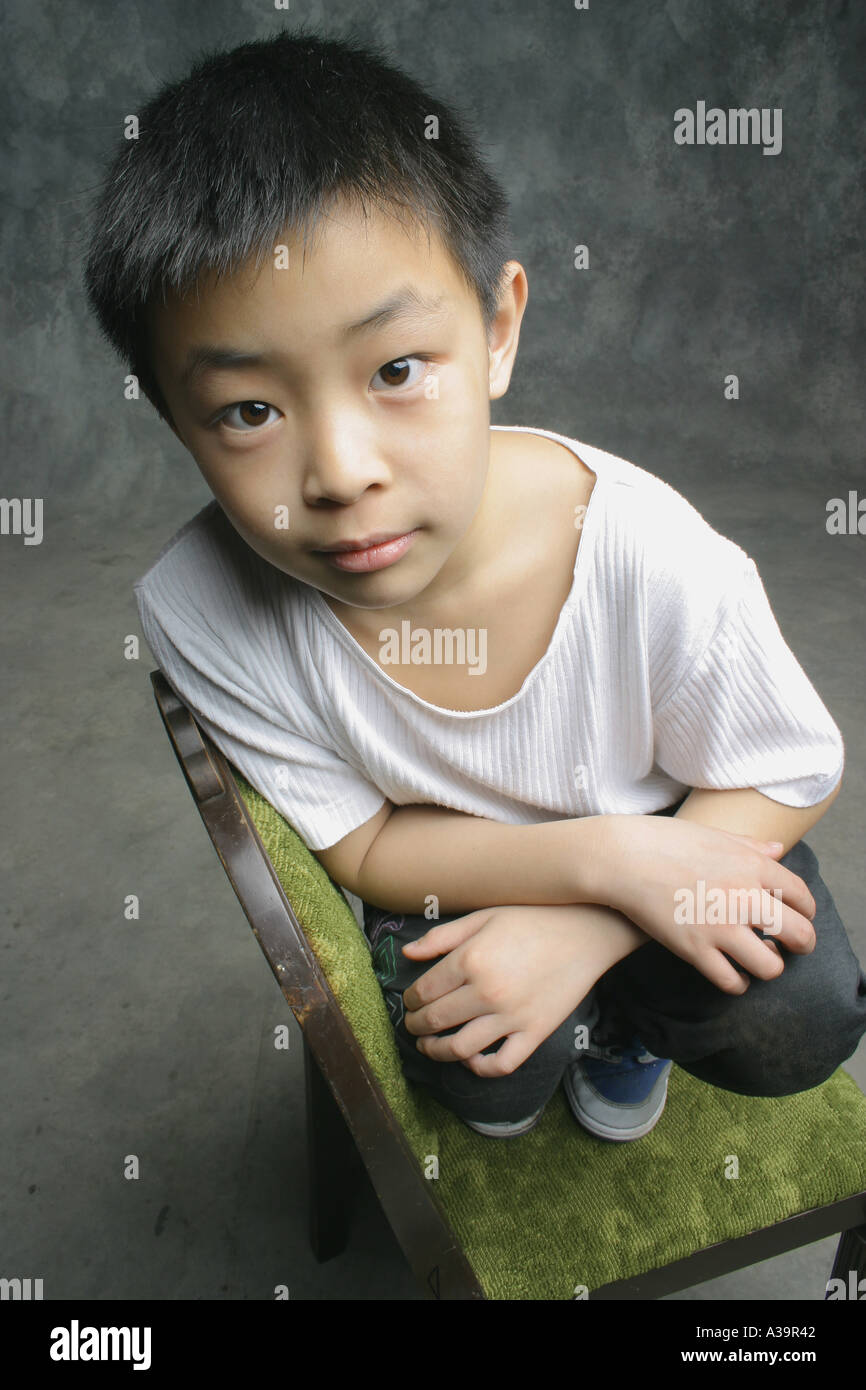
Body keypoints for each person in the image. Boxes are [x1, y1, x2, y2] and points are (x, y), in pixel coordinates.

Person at [83, 28, 866, 1142]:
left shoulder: (642, 549)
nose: (344, 472)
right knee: (480, 1068)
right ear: (174, 419)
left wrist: (601, 915)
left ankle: (630, 1028)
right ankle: (557, 1024)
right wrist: (591, 867)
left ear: (497, 329)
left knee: (795, 1008)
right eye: (249, 411)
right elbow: (363, 847)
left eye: (396, 370)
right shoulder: (199, 606)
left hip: (668, 824)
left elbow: (787, 766)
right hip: (459, 865)